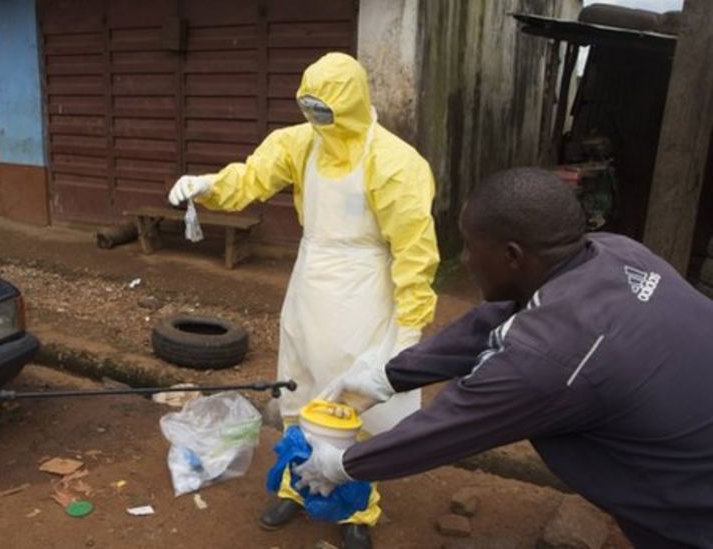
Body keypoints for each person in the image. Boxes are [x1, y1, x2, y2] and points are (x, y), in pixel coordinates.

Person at [296, 167, 713, 548]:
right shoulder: (616, 253)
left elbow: (450, 427)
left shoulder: (548, 361)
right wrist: (388, 375)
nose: (463, 260)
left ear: (513, 256)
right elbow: (495, 321)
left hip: (691, 509)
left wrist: (344, 464)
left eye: (469, 247)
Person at [168, 52, 439, 548]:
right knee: (300, 390)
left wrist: (411, 323)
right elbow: (252, 177)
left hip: (364, 287)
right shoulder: (299, 144)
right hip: (311, 279)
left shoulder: (396, 162)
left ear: (352, 103)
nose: (316, 120)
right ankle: (296, 485)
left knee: (351, 402)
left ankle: (359, 508)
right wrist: (208, 187)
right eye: (308, 108)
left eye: (324, 110)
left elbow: (414, 249)